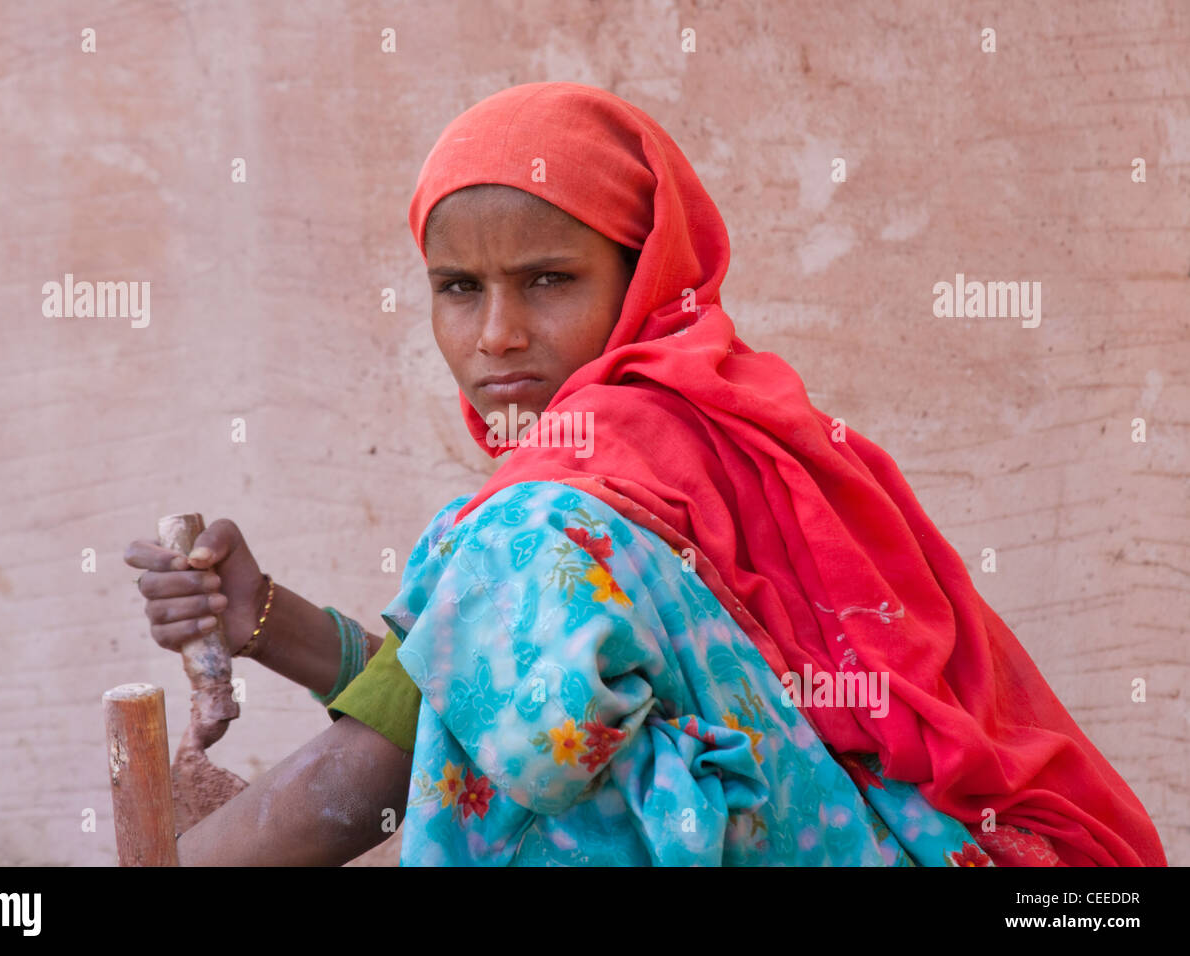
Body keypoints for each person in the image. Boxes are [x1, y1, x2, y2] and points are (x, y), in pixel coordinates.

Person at [125, 81, 1166, 867]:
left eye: (547, 281)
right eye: (458, 287)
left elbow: (429, 736)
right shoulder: (598, 482)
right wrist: (266, 617)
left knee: (529, 540)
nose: (495, 333)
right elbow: (456, 701)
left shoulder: (618, 459)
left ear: (644, 275)